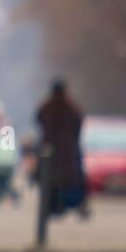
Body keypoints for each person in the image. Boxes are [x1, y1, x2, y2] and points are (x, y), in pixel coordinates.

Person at [36, 78, 87, 216]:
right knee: (71, 179)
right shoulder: (71, 107)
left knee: (48, 179)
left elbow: (38, 120)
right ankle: (75, 205)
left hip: (49, 150)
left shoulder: (46, 107)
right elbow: (79, 125)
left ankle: (51, 206)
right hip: (67, 152)